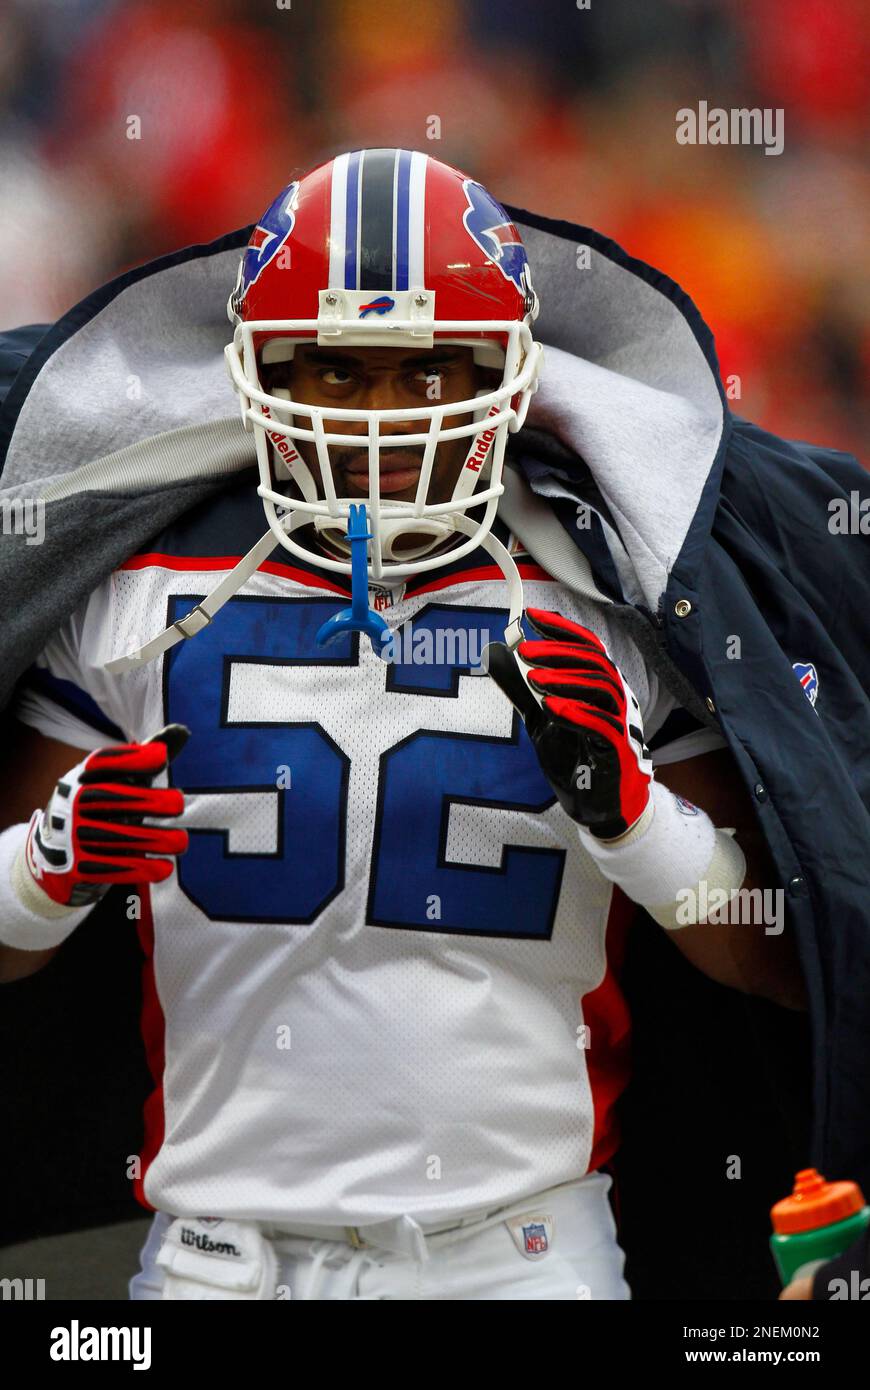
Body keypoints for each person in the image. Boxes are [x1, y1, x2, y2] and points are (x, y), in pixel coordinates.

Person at [0, 148, 846, 1302]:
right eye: (338, 370)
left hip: (522, 1257)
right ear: (257, 372)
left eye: (433, 371)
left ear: (510, 377)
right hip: (216, 1260)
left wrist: (635, 819)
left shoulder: (608, 604)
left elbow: (792, 956)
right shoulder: (137, 600)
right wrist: (44, 867)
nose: (386, 415)